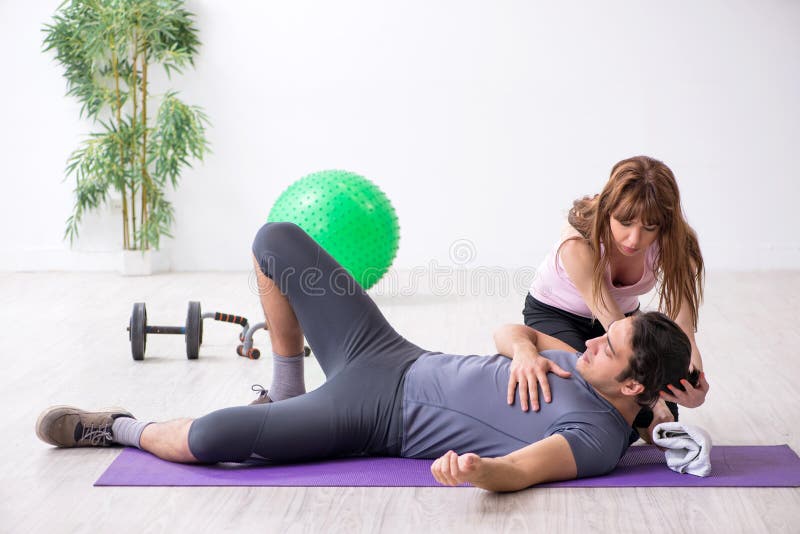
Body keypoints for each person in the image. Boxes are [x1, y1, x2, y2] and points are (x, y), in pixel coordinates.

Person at [35, 222, 699, 491]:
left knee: (210, 440)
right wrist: (526, 350)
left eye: (609, 346)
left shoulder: (595, 439)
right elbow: (507, 331)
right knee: (276, 240)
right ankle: (287, 383)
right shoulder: (585, 361)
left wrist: (476, 471)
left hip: (377, 413)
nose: (592, 339)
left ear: (632, 387)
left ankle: (117, 427)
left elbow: (523, 470)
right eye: (605, 333)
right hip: (391, 353)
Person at [519, 156, 709, 442]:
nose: (634, 239)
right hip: (557, 315)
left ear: (665, 224)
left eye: (649, 228)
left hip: (625, 324)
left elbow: (684, 329)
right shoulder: (577, 244)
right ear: (608, 209)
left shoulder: (678, 245)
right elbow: (612, 323)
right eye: (624, 222)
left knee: (663, 413)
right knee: (588, 383)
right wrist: (652, 400)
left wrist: (691, 386)